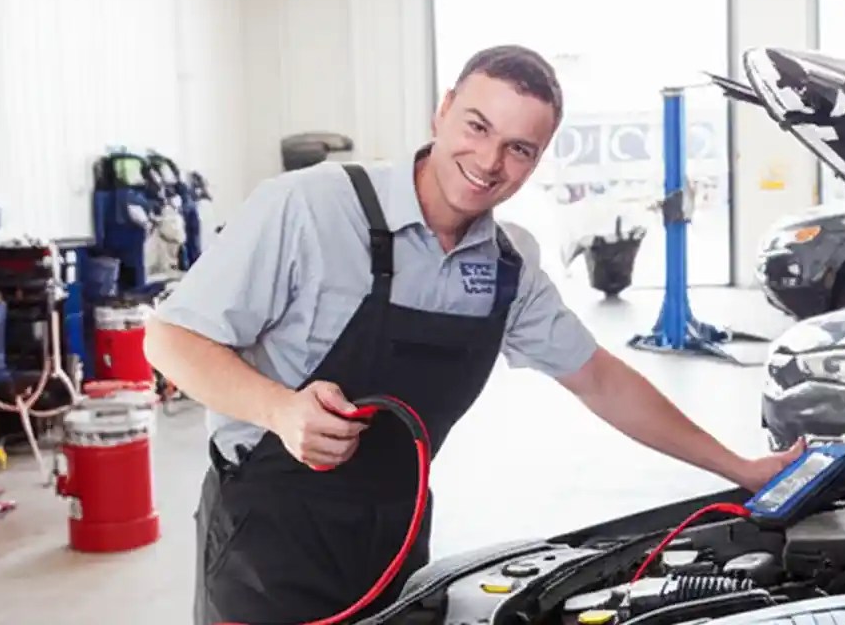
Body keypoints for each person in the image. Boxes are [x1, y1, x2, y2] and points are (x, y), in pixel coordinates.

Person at [144, 44, 806, 625]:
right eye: (477, 126)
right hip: (268, 540)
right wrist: (281, 411)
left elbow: (601, 380)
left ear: (538, 159)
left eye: (519, 149)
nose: (489, 162)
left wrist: (740, 468)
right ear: (443, 111)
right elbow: (169, 339)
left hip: (394, 538)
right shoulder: (310, 207)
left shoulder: (507, 266)